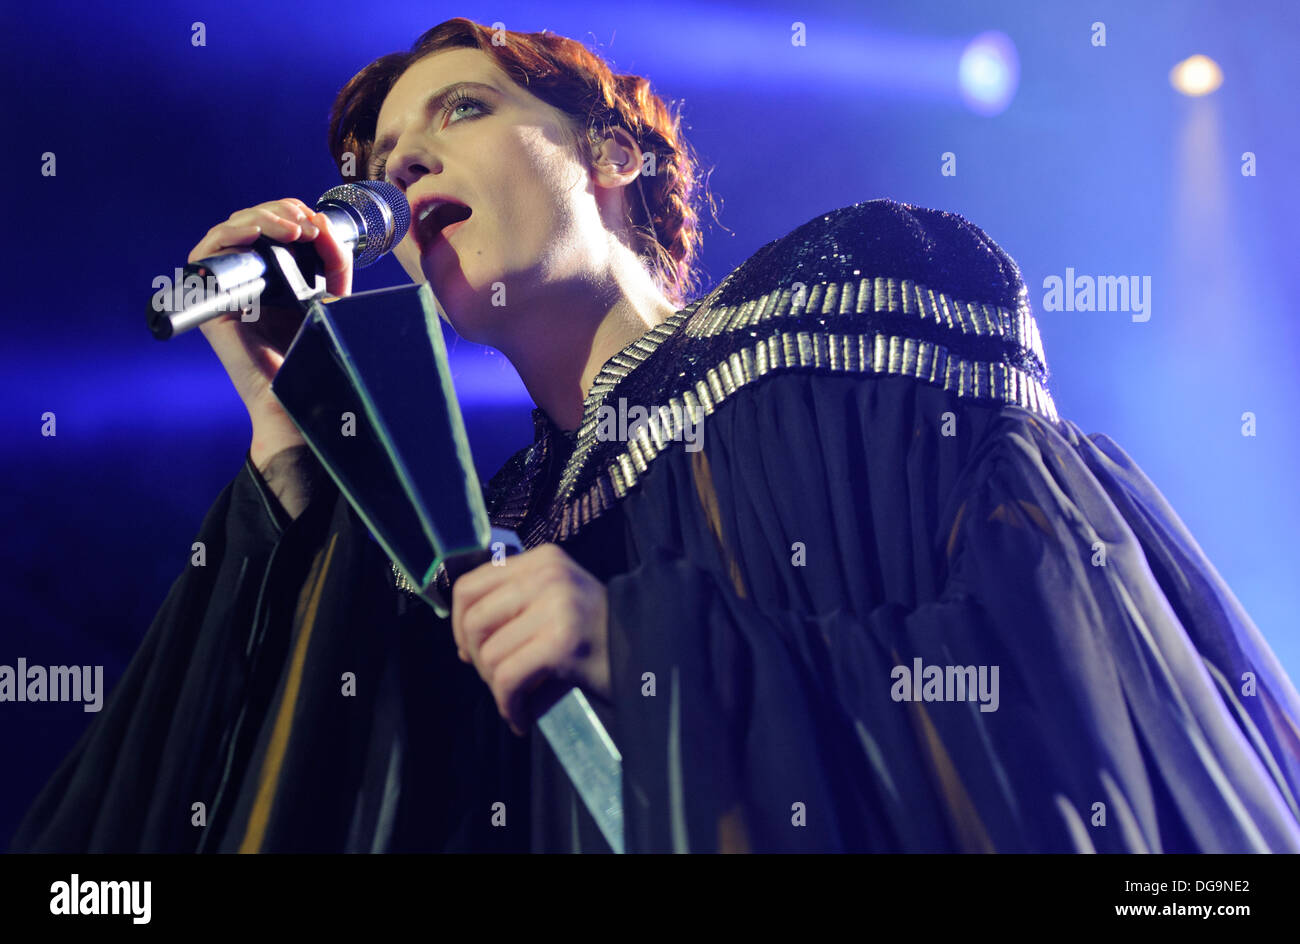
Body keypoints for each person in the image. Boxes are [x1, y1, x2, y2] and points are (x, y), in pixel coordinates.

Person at [12, 17, 1300, 854]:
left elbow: (1057, 693)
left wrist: (645, 646)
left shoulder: (853, 301)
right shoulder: (475, 524)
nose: (398, 174)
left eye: (455, 113)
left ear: (614, 152)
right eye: (380, 157)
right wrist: (291, 442)